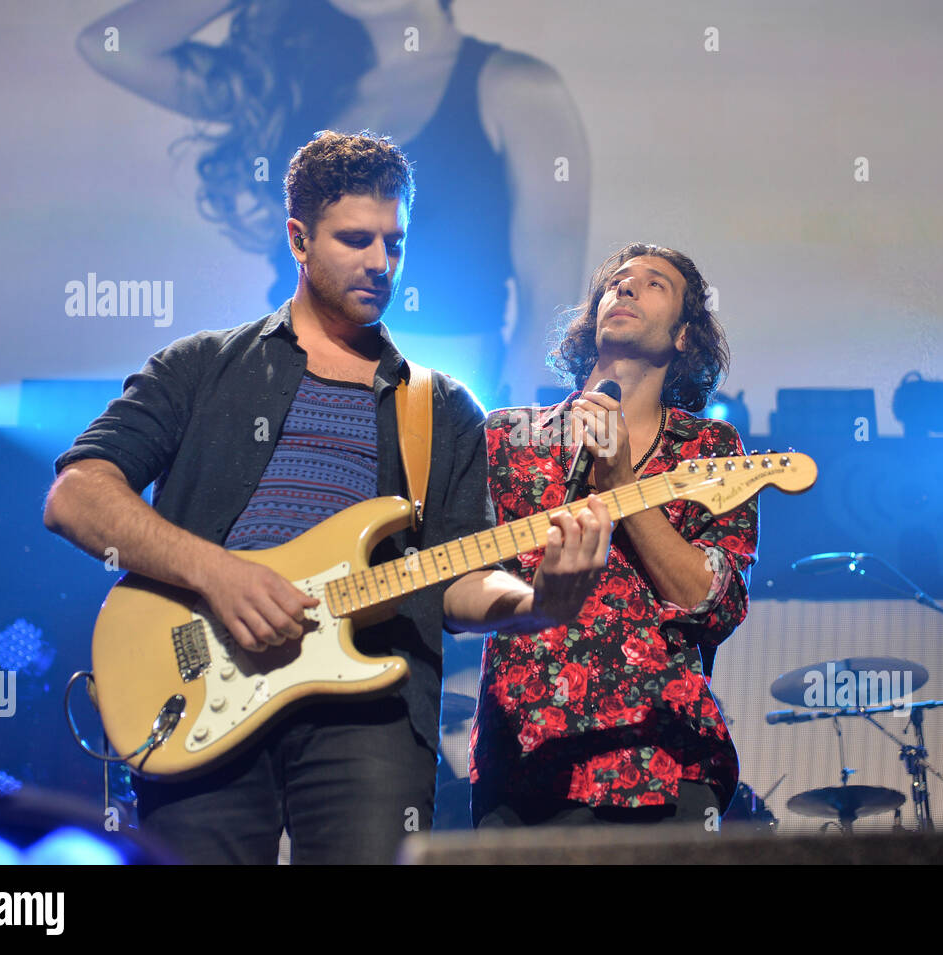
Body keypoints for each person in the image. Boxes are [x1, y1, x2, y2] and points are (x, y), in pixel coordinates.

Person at [43, 131, 611, 863]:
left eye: (394, 242)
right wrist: (219, 573)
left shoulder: (439, 406)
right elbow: (76, 495)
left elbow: (456, 577)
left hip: (369, 715)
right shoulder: (201, 365)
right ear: (299, 239)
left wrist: (541, 604)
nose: (381, 263)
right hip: (198, 685)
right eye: (355, 239)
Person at [76, 0, 590, 408]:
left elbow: (550, 305)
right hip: (282, 389)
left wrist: (520, 455)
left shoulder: (517, 87)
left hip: (437, 402)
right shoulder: (292, 84)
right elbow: (111, 46)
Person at [469, 243, 759, 826]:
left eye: (654, 284)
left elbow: (715, 605)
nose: (624, 289)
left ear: (684, 337)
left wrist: (622, 481)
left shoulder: (708, 453)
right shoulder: (504, 439)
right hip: (525, 756)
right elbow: (457, 582)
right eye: (616, 281)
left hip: (662, 757)